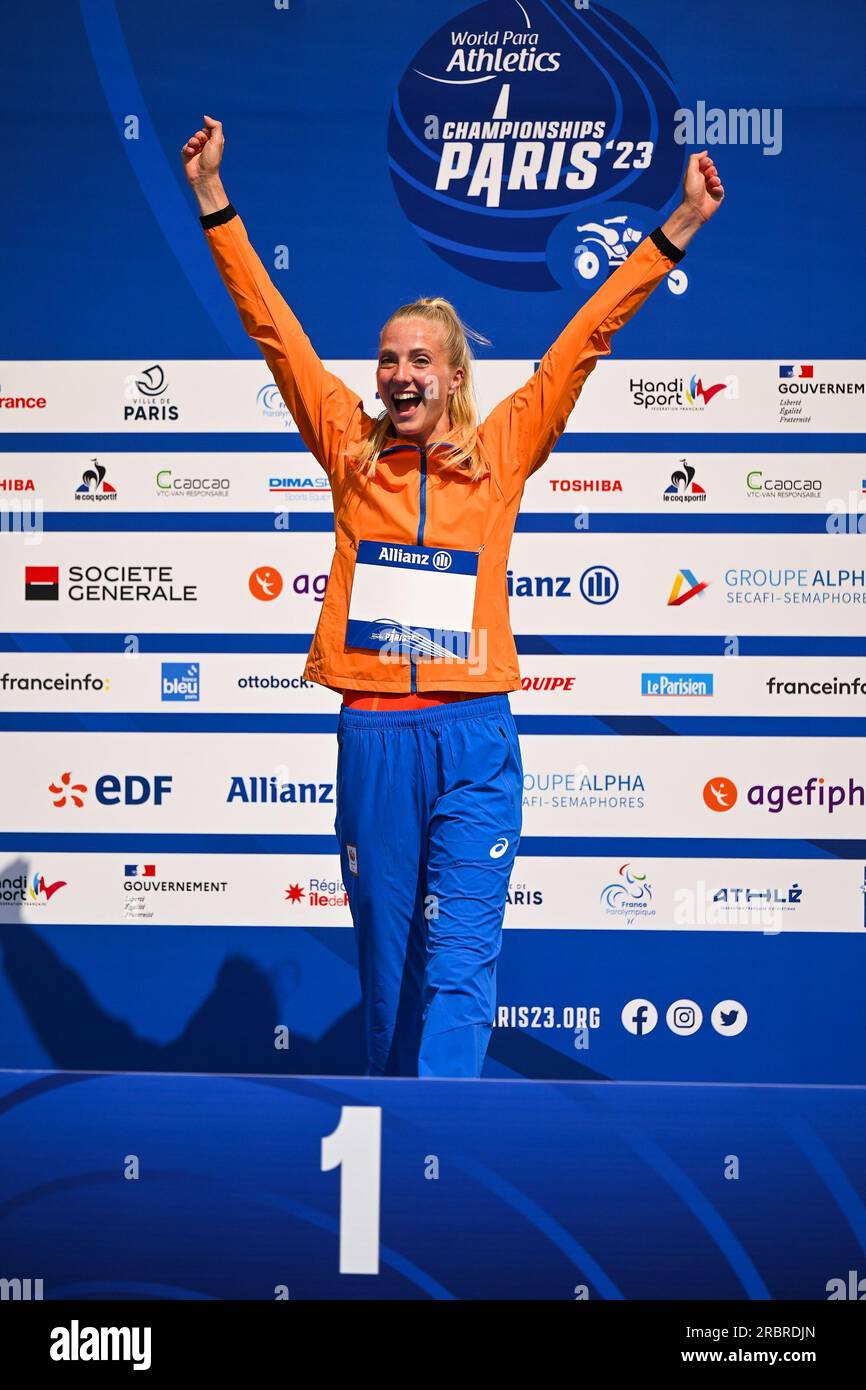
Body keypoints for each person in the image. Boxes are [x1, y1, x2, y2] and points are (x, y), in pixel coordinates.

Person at [181, 115, 724, 1079]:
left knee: (463, 963)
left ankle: (443, 1137)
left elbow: (585, 338)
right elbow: (274, 331)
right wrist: (212, 200)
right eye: (388, 359)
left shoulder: (502, 449)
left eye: (419, 360)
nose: (399, 375)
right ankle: (401, 1139)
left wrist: (677, 226)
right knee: (391, 983)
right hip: (376, 739)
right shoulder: (350, 447)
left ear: (453, 375)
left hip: (474, 738)